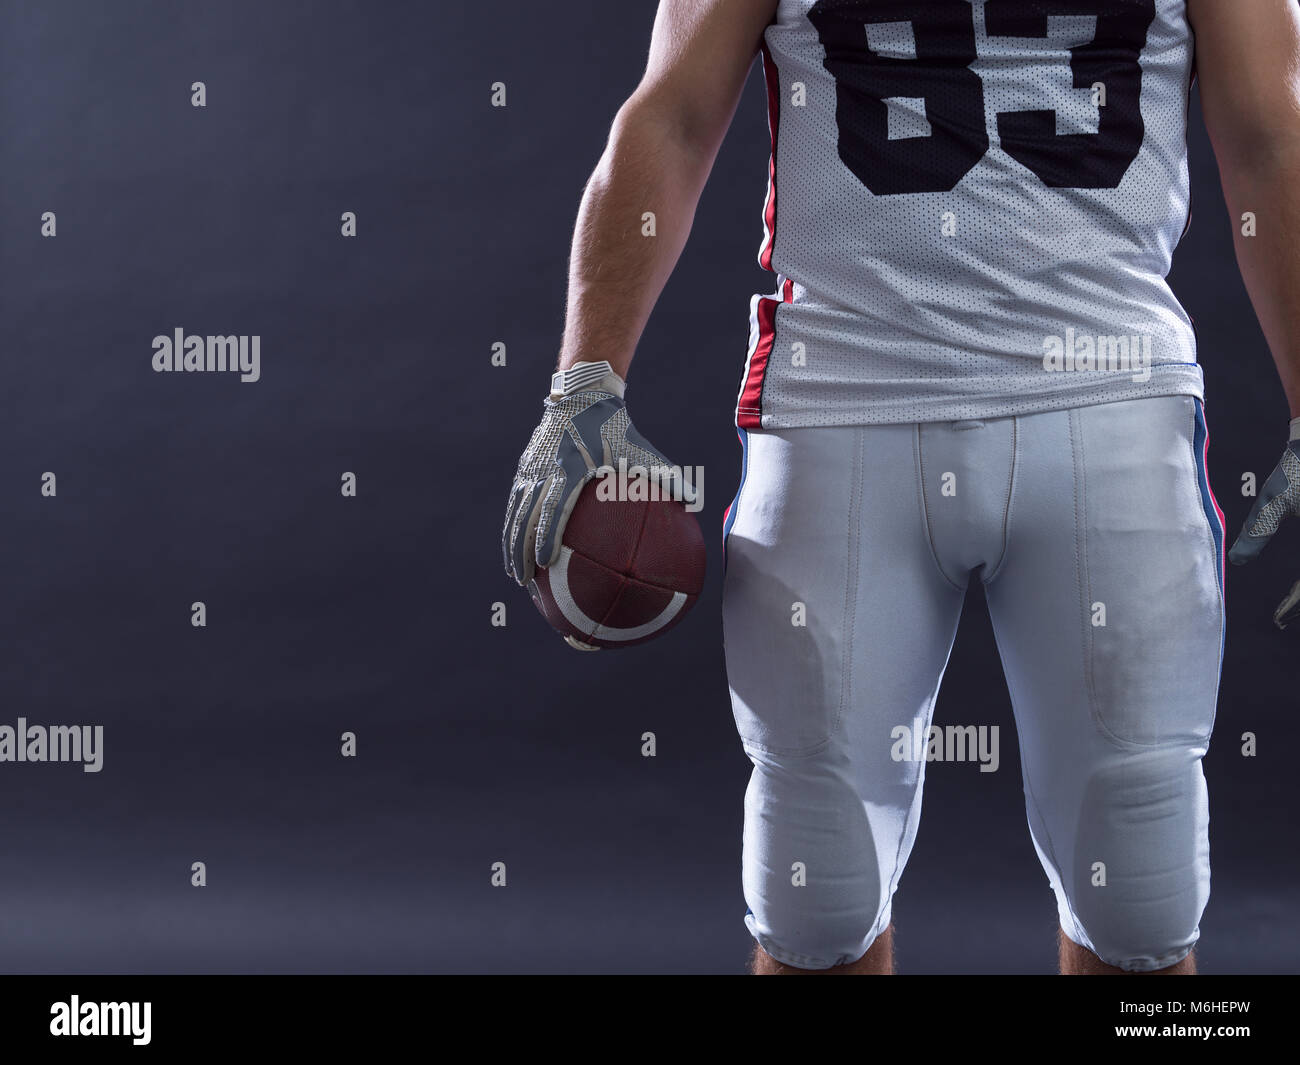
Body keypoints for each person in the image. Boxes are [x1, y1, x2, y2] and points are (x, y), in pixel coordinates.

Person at [502, 0, 1300, 974]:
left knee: (1136, 903)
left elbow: (1271, 129)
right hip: (847, 401)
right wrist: (586, 379)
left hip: (1105, 399)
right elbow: (670, 113)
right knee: (816, 903)